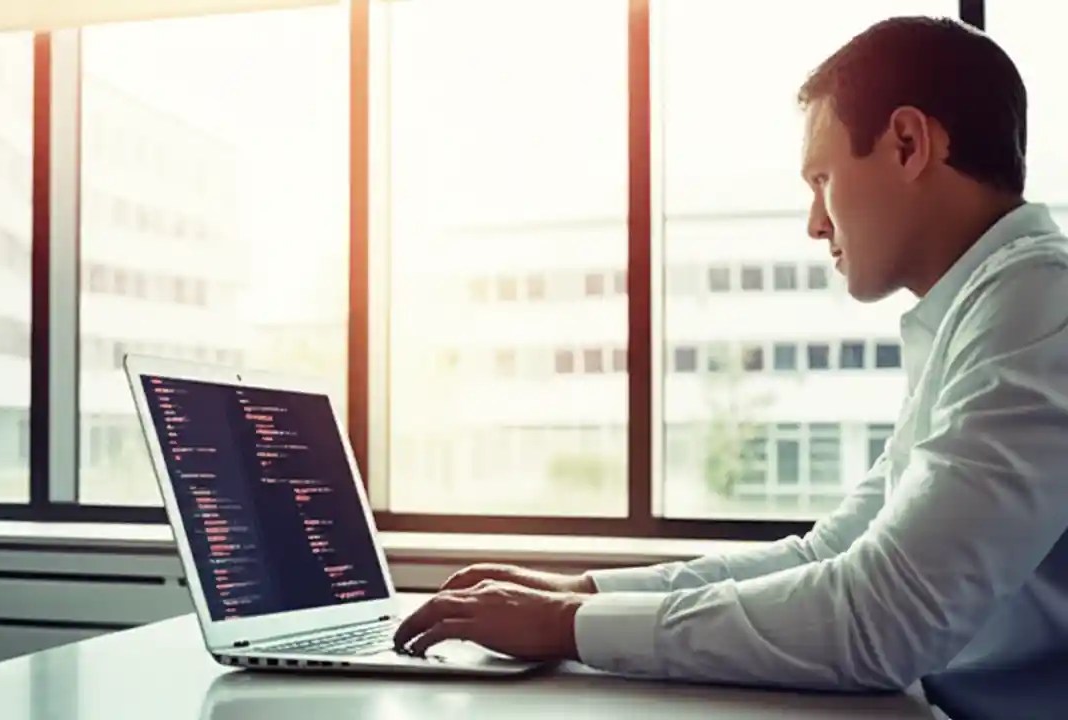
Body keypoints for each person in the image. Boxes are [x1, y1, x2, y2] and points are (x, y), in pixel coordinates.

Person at [394, 16, 1068, 691]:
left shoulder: (1038, 300)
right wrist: (583, 592)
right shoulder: (986, 308)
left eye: (822, 178)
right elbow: (828, 554)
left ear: (907, 143)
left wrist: (567, 623)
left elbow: (879, 620)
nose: (816, 223)